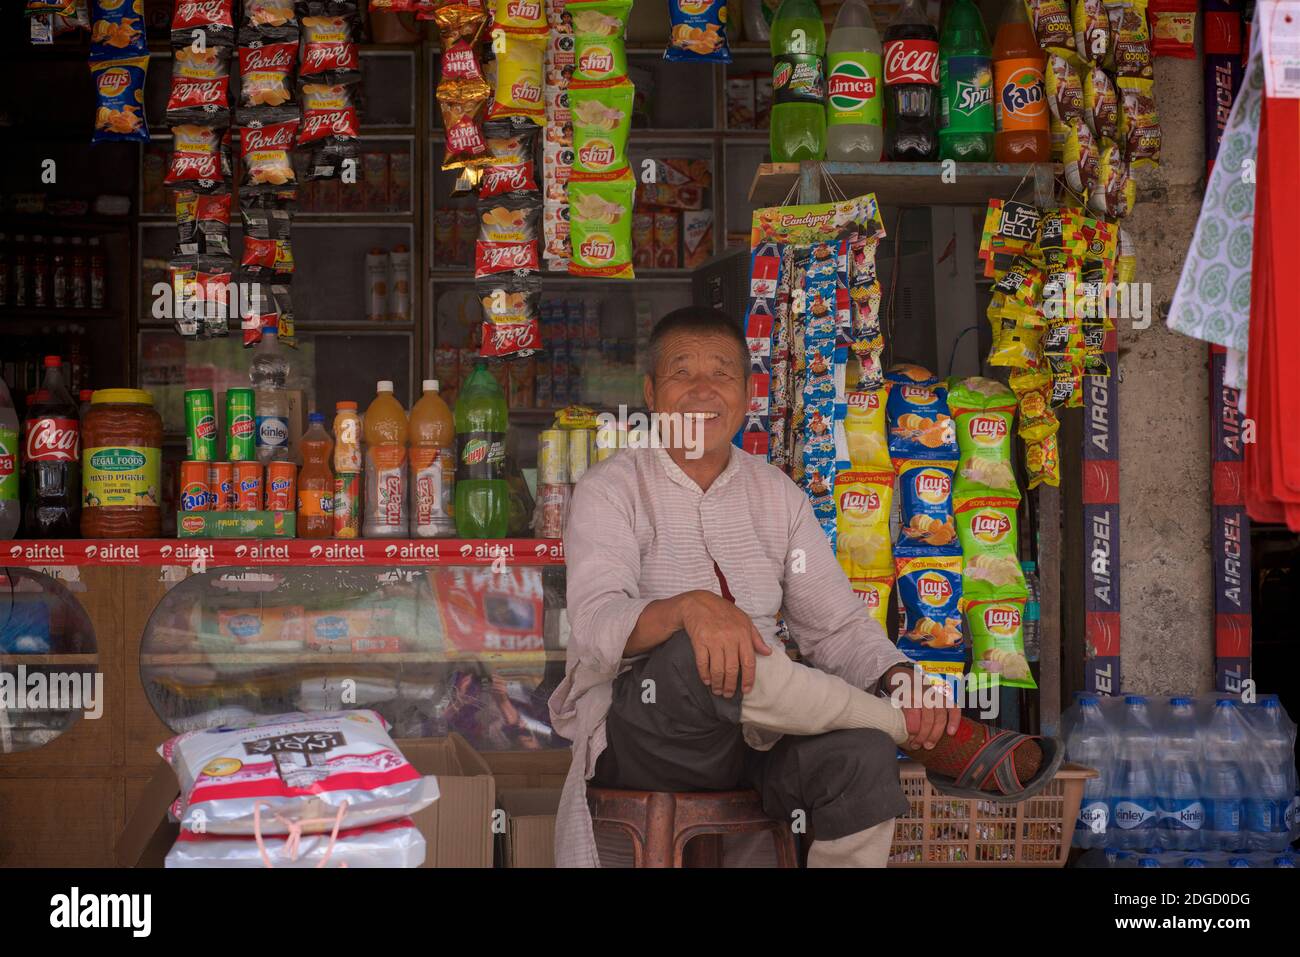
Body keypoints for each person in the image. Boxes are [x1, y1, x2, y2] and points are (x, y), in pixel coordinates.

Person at [549, 307, 1053, 868]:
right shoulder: (611, 488)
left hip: (756, 740)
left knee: (860, 757)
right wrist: (690, 610)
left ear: (746, 394)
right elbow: (595, 629)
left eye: (721, 373)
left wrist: (899, 676)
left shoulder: (776, 494)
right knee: (700, 648)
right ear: (650, 393)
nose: (702, 390)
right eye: (681, 372)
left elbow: (835, 626)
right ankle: (903, 728)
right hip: (649, 733)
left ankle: (889, 725)